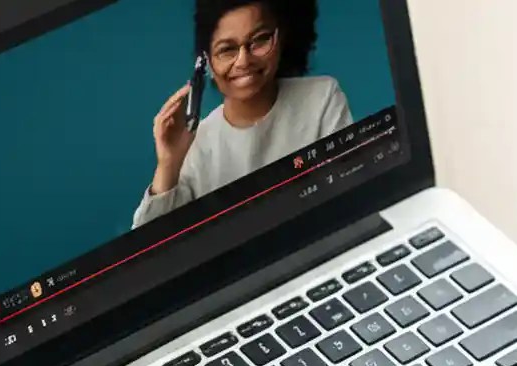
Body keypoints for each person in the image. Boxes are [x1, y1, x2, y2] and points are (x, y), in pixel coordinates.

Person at [133, 0, 352, 228]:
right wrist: (168, 164)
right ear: (206, 62)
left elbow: (350, 190)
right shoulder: (192, 143)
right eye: (227, 50)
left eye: (259, 40)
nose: (244, 60)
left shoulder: (322, 97)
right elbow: (147, 251)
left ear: (281, 37)